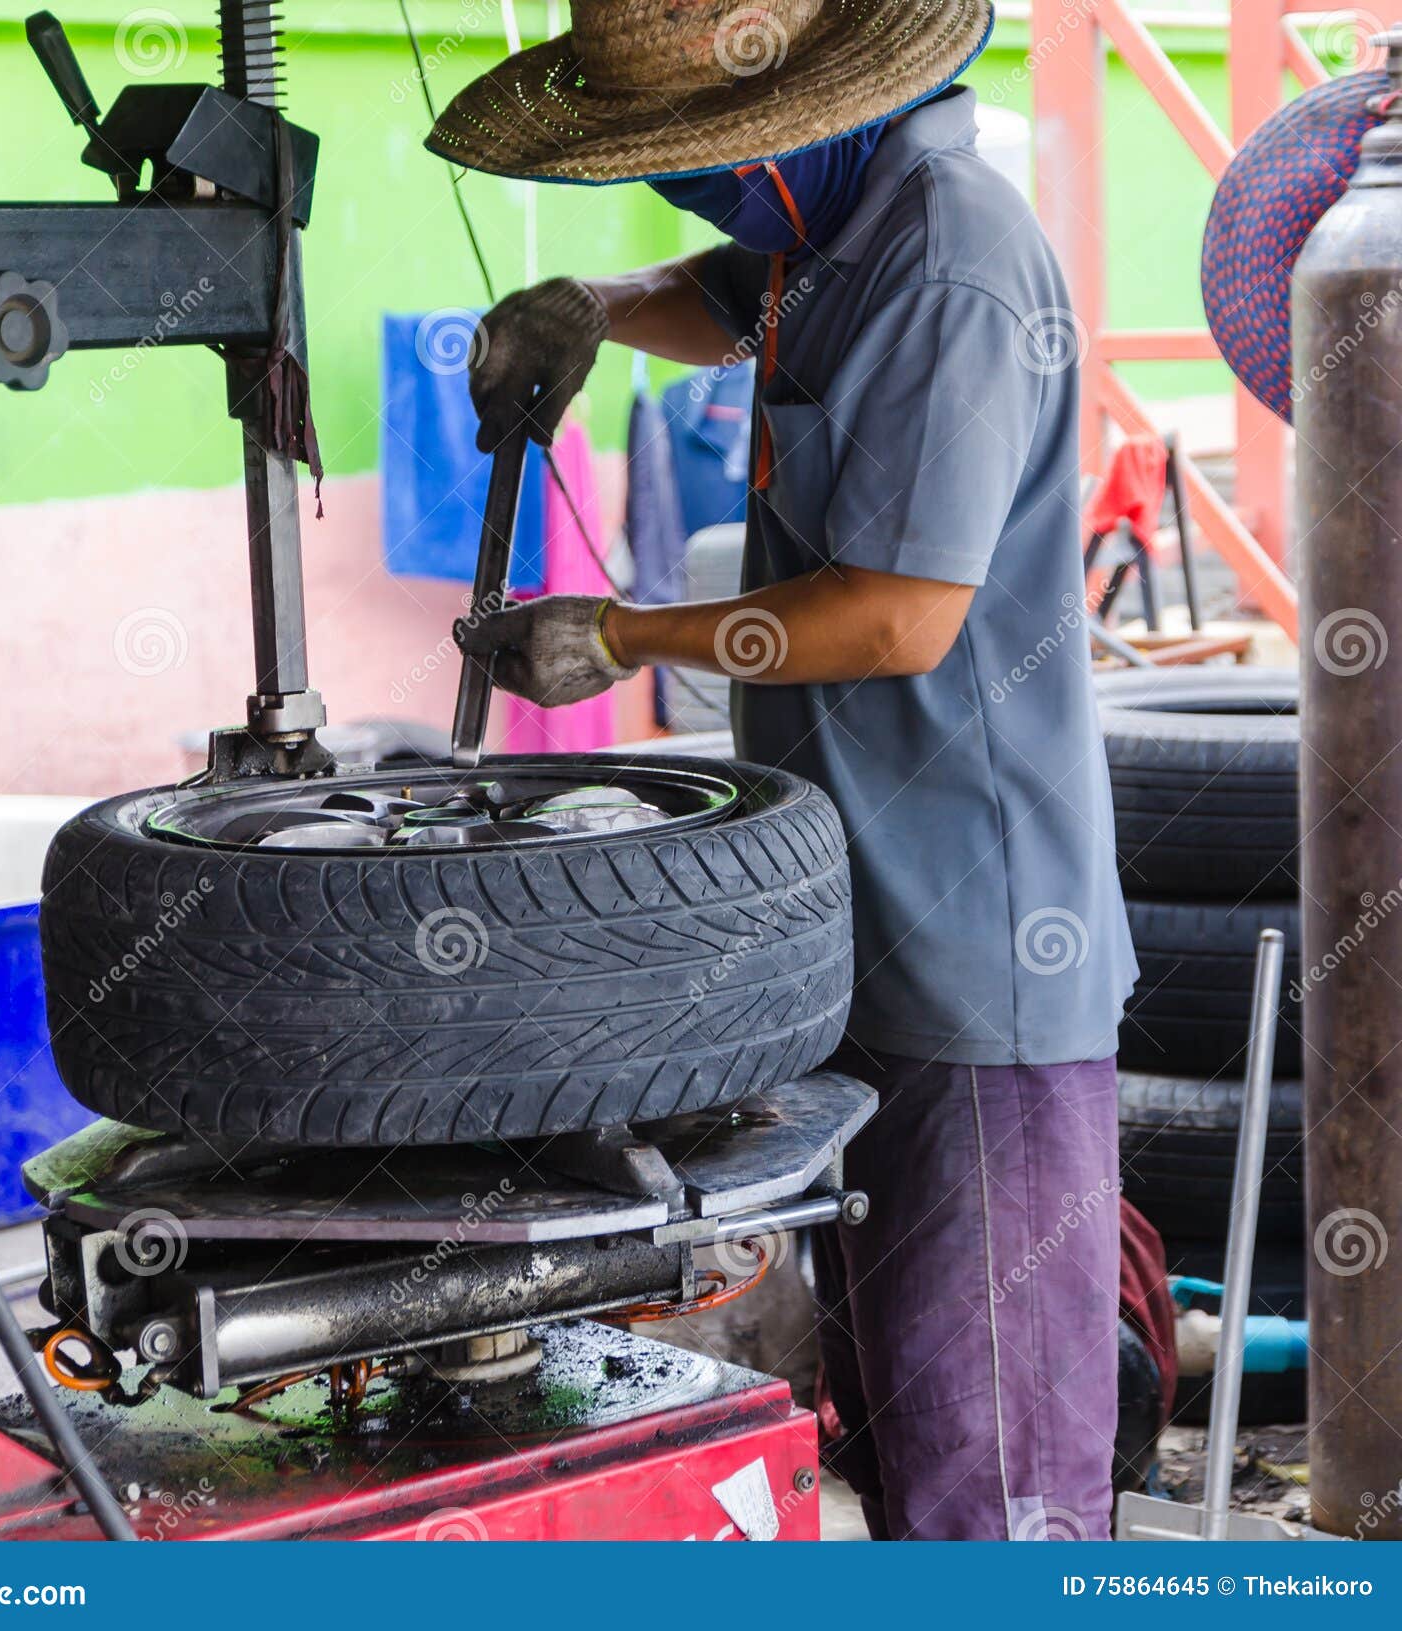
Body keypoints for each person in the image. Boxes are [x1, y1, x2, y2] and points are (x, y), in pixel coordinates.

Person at [430, 0, 1136, 1540]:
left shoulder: (944, 260)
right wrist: (592, 304)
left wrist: (620, 637)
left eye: (708, 157)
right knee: (892, 1431)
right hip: (858, 937)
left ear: (807, 104)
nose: (693, 187)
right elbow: (732, 295)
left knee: (993, 1478)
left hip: (979, 955)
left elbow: (897, 615)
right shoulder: (840, 221)